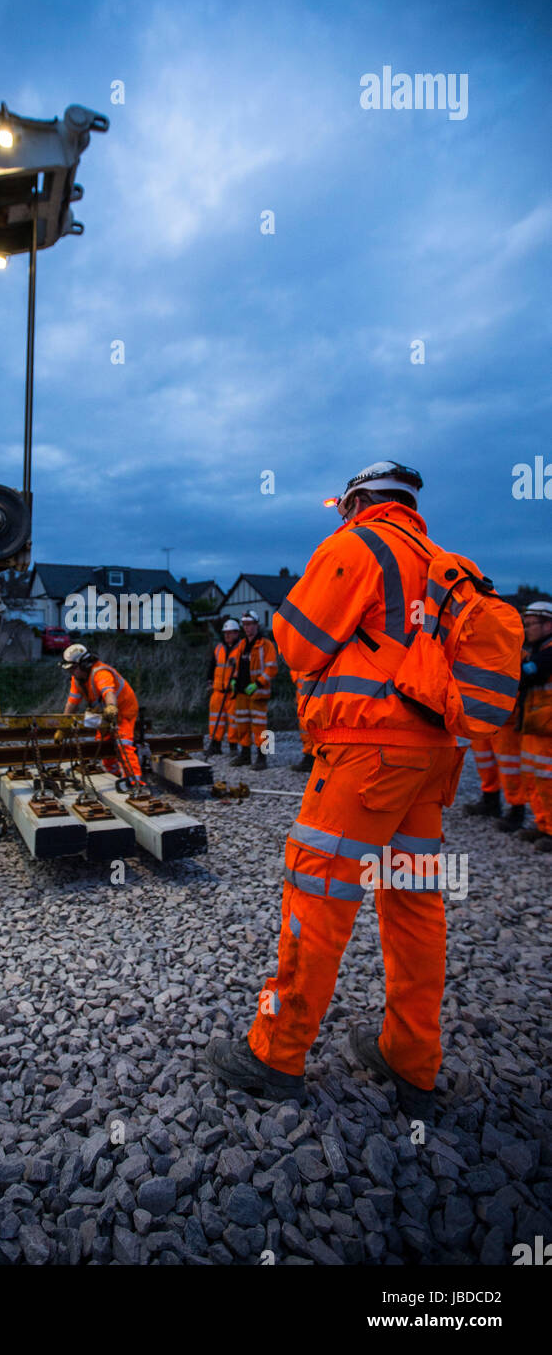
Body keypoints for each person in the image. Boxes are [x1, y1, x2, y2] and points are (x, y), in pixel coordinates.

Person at [205, 460, 517, 1117]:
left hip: (367, 757)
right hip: (432, 763)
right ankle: (412, 1062)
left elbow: (296, 641)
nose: (340, 517)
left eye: (342, 507)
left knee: (318, 893)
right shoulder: (442, 563)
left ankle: (276, 1055)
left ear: (358, 502)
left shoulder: (360, 545)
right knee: (414, 903)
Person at [55, 643, 144, 785]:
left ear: (84, 664)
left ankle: (135, 783)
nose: (71, 672)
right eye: (69, 669)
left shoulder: (101, 673)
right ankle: (113, 774)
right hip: (104, 713)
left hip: (124, 711)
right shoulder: (77, 680)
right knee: (102, 743)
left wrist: (111, 707)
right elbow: (71, 704)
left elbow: (108, 693)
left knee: (123, 744)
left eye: (73, 668)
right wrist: (63, 727)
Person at [514, 601, 552, 852]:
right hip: (537, 725)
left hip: (546, 728)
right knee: (534, 778)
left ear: (548, 624)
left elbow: (528, 675)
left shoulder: (548, 653)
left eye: (531, 625)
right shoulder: (538, 650)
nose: (528, 630)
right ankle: (543, 824)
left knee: (546, 780)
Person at [228, 610, 278, 770]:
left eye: (250, 624)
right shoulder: (242, 644)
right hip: (242, 692)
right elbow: (238, 665)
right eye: (245, 625)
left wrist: (257, 683)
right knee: (242, 724)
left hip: (257, 693)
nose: (247, 628)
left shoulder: (266, 645)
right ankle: (245, 754)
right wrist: (234, 680)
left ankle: (262, 758)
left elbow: (272, 668)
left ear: (256, 625)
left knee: (259, 727)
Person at [206, 618, 240, 754]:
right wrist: (209, 680)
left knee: (233, 721)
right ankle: (215, 745)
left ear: (237, 633)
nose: (227, 635)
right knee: (215, 719)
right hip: (218, 690)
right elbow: (212, 665)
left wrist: (237, 683)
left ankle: (233, 747)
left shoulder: (241, 648)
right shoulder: (219, 648)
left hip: (232, 692)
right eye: (225, 633)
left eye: (230, 633)